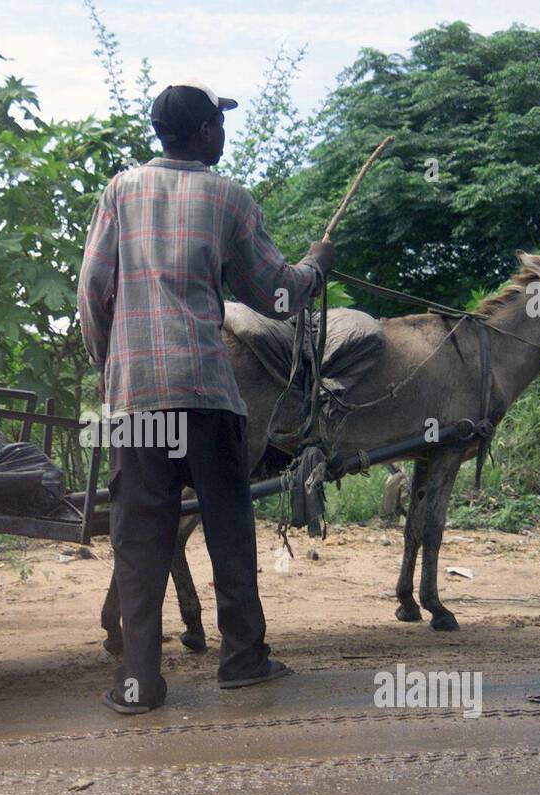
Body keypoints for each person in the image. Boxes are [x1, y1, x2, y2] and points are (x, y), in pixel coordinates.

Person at [78, 81, 336, 715]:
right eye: (218, 125)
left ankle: (139, 684)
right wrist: (317, 265)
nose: (223, 135)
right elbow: (275, 294)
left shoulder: (121, 190)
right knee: (228, 526)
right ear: (202, 134)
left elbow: (92, 288)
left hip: (137, 399)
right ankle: (243, 659)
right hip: (207, 394)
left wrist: (113, 366)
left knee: (139, 538)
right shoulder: (228, 198)